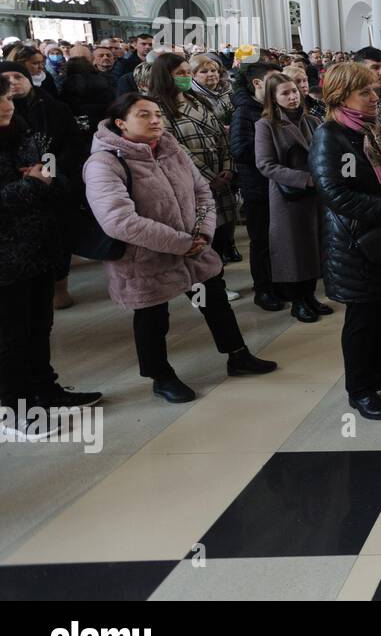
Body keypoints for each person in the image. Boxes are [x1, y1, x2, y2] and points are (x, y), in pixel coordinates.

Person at [83, 94, 276, 403]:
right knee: (152, 316)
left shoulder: (172, 150)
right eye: (144, 115)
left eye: (158, 113)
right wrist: (181, 242)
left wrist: (202, 231)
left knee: (214, 301)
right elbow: (119, 220)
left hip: (193, 246)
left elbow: (202, 191)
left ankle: (237, 355)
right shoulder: (105, 162)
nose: (155, 120)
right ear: (121, 123)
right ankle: (160, 376)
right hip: (144, 256)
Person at [310, 62, 381, 422]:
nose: (375, 97)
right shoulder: (331, 136)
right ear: (341, 96)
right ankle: (359, 389)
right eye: (365, 92)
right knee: (362, 319)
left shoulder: (378, 127)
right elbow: (335, 194)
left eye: (375, 90)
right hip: (355, 244)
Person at [0, 74, 100, 434]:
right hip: (5, 260)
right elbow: (30, 182)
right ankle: (13, 409)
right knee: (10, 336)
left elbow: (48, 169)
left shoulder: (19, 130)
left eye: (7, 98)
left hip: (38, 247)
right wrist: (30, 183)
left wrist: (40, 179)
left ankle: (45, 389)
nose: (6, 104)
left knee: (39, 326)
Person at [143, 54, 240, 296]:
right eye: (181, 74)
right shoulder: (158, 107)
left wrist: (227, 165)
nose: (187, 78)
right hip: (194, 180)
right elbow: (174, 147)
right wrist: (209, 176)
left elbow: (220, 134)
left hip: (220, 172)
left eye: (188, 72)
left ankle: (218, 284)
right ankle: (205, 291)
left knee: (220, 233)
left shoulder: (198, 100)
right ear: (166, 76)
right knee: (199, 236)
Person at [255, 71, 327, 323]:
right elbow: (265, 165)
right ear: (273, 99)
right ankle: (298, 301)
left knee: (312, 246)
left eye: (294, 91)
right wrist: (303, 178)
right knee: (293, 249)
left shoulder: (312, 120)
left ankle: (310, 296)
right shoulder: (266, 125)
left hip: (315, 195)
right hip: (289, 196)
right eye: (285, 93)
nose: (292, 97)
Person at [230, 61, 281, 309]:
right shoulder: (244, 111)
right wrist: (272, 151)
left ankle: (280, 283)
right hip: (258, 186)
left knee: (278, 239)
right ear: (258, 84)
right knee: (261, 240)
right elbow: (239, 149)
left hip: (278, 184)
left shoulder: (272, 107)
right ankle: (263, 289)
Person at [189, 54, 235, 127]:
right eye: (204, 72)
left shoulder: (230, 88)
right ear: (193, 75)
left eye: (213, 70)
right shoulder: (191, 96)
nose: (210, 74)